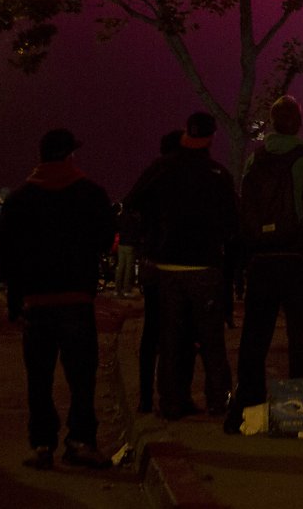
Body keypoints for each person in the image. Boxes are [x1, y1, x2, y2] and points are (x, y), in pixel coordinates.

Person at [0, 128, 114, 470]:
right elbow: (106, 238)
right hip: (76, 298)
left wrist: (14, 300)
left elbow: (7, 255)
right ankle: (81, 441)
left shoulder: (20, 199)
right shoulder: (90, 193)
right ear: (69, 155)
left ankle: (42, 444)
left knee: (39, 378)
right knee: (81, 377)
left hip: (36, 301)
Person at [227, 96, 303, 435]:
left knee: (255, 335)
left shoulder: (253, 161)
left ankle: (245, 407)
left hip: (260, 259)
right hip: (296, 259)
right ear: (299, 124)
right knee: (300, 337)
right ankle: (296, 415)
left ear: (272, 123)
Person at [125, 111, 240, 422]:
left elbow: (133, 200)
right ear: (212, 137)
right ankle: (218, 400)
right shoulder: (217, 174)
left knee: (171, 338)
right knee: (211, 338)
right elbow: (233, 222)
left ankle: (171, 402)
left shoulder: (162, 168)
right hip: (204, 266)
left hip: (167, 266)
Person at [123, 129, 183, 413]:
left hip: (153, 260)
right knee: (178, 330)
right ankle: (172, 395)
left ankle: (147, 397)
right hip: (174, 260)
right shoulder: (178, 172)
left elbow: (131, 200)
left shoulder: (153, 173)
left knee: (152, 330)